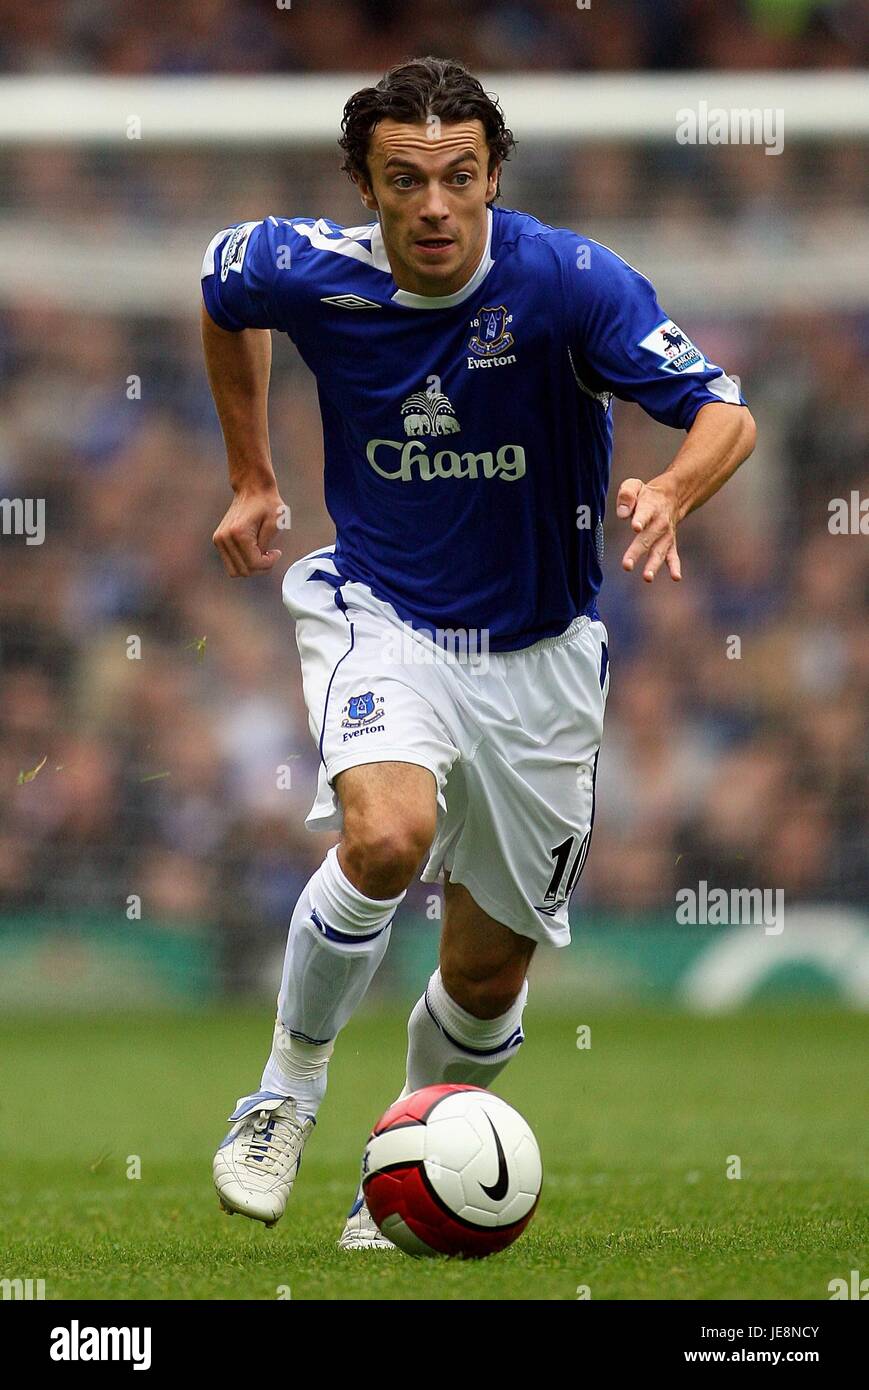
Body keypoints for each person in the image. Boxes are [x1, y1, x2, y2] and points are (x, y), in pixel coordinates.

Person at [200, 56, 756, 1248]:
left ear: (492, 174)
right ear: (367, 184)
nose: (436, 205)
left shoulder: (562, 283)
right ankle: (282, 1095)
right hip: (382, 613)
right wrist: (252, 473)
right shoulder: (305, 269)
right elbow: (219, 289)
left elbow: (725, 409)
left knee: (487, 978)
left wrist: (670, 485)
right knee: (385, 836)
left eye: (460, 176)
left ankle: (389, 1171)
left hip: (542, 660)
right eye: (406, 181)